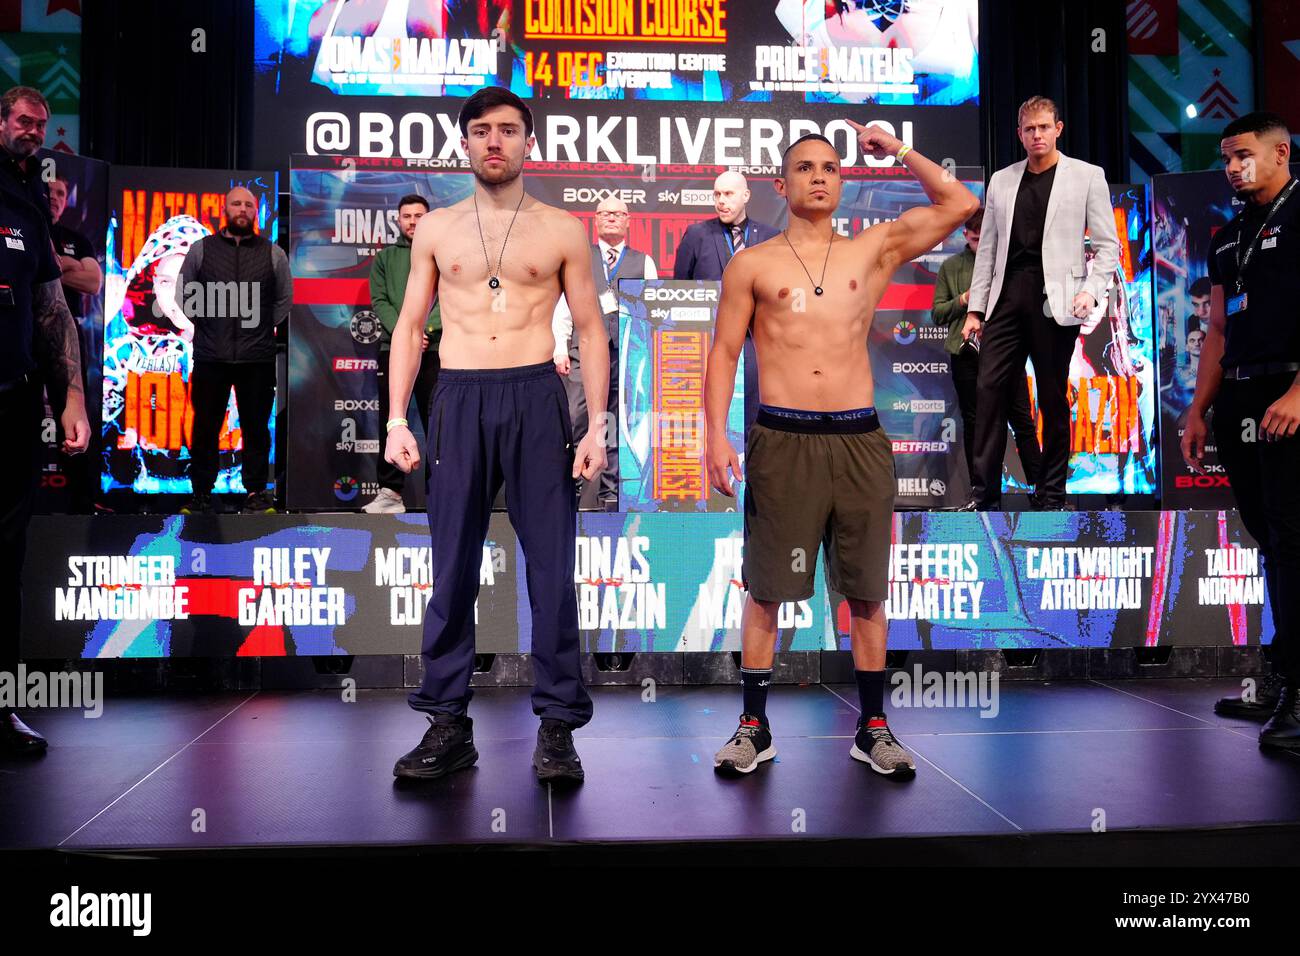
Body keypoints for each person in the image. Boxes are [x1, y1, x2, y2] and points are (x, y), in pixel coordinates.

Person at [704, 127, 980, 778]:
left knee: (865, 594)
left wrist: (901, 151)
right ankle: (753, 726)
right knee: (767, 591)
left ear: (844, 180)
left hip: (858, 440)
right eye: (804, 168)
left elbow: (962, 204)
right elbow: (721, 352)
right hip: (782, 440)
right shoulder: (753, 263)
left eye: (830, 167)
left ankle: (874, 727)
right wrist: (715, 435)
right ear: (782, 184)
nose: (819, 177)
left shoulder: (872, 250)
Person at [385, 87, 608, 785]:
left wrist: (595, 422)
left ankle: (558, 728)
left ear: (528, 142)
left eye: (508, 131)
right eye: (481, 131)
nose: (494, 142)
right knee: (450, 564)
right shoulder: (437, 230)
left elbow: (593, 328)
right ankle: (447, 723)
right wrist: (396, 417)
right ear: (465, 143)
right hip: (460, 397)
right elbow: (409, 328)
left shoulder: (563, 229)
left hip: (536, 397)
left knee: (551, 566)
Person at [1183, 111, 1300, 748]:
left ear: (1281, 152)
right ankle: (1286, 677)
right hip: (1243, 393)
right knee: (1271, 539)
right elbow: (1219, 330)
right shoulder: (1229, 235)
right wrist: (1201, 408)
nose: (1231, 167)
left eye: (1242, 155)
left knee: (1293, 538)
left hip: (1292, 391)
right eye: (1226, 157)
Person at [963, 95, 1120, 511]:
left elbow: (1107, 247)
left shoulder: (1087, 176)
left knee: (1052, 398)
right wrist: (976, 309)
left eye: (1044, 127)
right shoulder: (1002, 179)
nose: (1037, 135)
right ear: (1019, 134)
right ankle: (984, 497)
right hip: (1007, 295)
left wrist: (1091, 291)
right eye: (1029, 129)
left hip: (1058, 300)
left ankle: (1051, 494)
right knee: (989, 390)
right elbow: (988, 251)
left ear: (1058, 129)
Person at [0, 185, 90, 753]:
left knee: (6, 564)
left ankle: (2, 710)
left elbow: (52, 310)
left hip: (11, 405)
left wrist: (73, 395)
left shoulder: (22, 211)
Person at [175, 186, 292, 515]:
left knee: (256, 428)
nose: (242, 209)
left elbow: (284, 299)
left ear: (255, 212)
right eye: (236, 203)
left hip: (257, 357)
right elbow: (184, 294)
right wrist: (209, 323)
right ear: (224, 209)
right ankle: (201, 495)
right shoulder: (202, 250)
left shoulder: (273, 253)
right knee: (205, 427)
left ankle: (256, 494)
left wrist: (259, 325)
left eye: (248, 205)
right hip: (211, 355)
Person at [551, 195, 658, 509]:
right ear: (595, 220)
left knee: (619, 424)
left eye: (618, 214)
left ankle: (611, 495)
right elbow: (564, 307)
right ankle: (566, 490)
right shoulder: (581, 257)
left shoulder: (644, 261)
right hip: (582, 356)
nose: (612, 218)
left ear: (627, 221)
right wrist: (559, 346)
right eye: (605, 213)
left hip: (627, 358)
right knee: (575, 421)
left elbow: (654, 311)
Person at [931, 206, 1041, 504]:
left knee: (1022, 421)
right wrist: (967, 299)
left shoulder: (1007, 264)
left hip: (1007, 350)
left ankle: (1042, 493)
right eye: (975, 238)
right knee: (976, 423)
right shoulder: (952, 267)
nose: (979, 243)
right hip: (966, 352)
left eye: (985, 238)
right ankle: (982, 495)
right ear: (965, 235)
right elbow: (938, 314)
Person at [676, 171, 780, 434]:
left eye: (729, 194)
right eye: (717, 194)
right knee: (714, 421)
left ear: (745, 196)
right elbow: (679, 289)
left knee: (756, 421)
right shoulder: (696, 234)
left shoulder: (771, 237)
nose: (721, 201)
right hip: (711, 345)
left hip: (759, 348)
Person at [362, 193, 441, 514]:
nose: (412, 222)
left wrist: (426, 332)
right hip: (393, 349)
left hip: (435, 349)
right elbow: (379, 301)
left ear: (428, 219)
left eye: (419, 216)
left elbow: (450, 301)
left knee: (440, 422)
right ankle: (391, 494)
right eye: (407, 216)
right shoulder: (384, 259)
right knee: (393, 421)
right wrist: (404, 335)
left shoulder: (440, 255)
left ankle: (442, 491)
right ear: (398, 220)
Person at [47, 174, 103, 514]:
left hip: (66, 339)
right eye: (48, 191)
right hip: (23, 334)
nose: (53, 197)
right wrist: (66, 267)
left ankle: (83, 503)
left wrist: (55, 265)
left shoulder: (75, 239)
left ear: (67, 200)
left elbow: (93, 281)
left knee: (74, 417)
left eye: (60, 193)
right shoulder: (23, 227)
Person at [0, 86, 51, 219]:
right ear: (1, 122)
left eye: (40, 125)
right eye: (25, 122)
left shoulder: (41, 173)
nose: (34, 131)